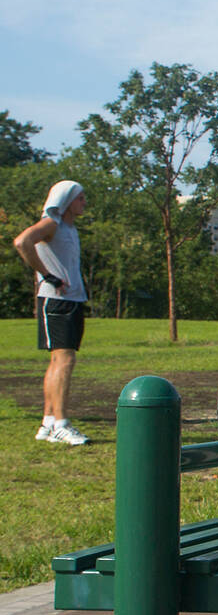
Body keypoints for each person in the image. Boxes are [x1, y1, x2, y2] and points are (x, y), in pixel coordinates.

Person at [12, 180, 90, 445]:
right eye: (80, 198)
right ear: (66, 200)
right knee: (65, 361)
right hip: (57, 301)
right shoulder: (51, 224)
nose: (84, 203)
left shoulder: (68, 228)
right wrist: (47, 275)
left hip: (69, 301)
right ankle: (61, 423)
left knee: (58, 361)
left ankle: (48, 422)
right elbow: (22, 242)